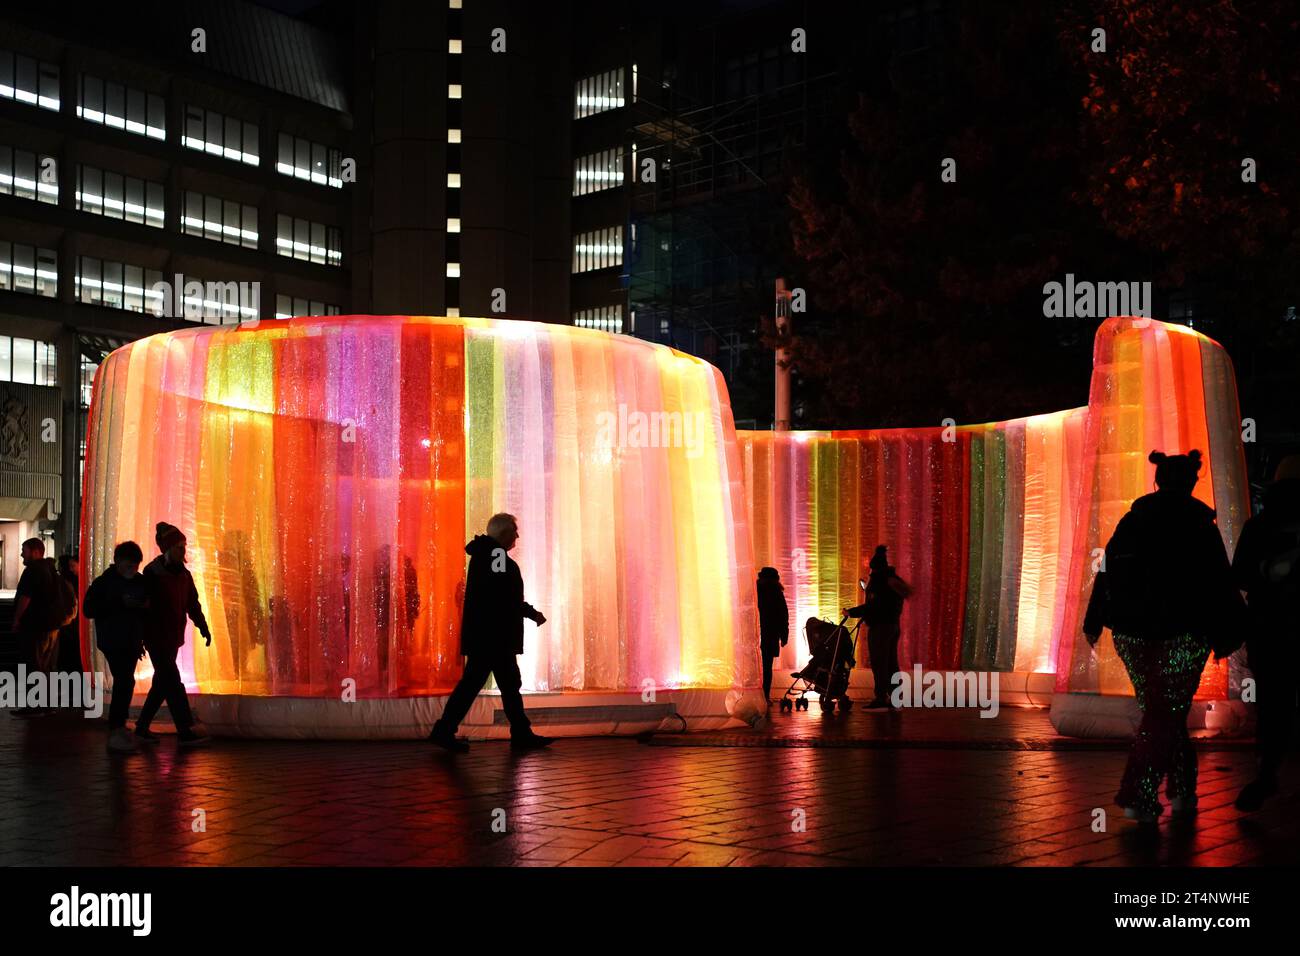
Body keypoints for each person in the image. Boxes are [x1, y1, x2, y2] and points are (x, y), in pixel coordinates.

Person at [1083, 450, 1244, 824]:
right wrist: (1230, 630)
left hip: (1133, 634)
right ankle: (1140, 795)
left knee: (1162, 712)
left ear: (1158, 481)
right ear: (1191, 482)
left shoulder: (1132, 521)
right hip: (1185, 634)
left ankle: (1183, 791)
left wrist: (1095, 621)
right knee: (1166, 712)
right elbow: (1219, 581)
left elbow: (1107, 573)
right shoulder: (1200, 526)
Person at [428, 513, 553, 752]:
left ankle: (448, 730)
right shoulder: (496, 556)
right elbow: (503, 597)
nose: (517, 535)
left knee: (492, 684)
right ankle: (518, 733)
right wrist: (531, 613)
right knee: (499, 685)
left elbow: (498, 596)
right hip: (495, 638)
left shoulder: (486, 555)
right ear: (504, 533)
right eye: (514, 531)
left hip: (488, 637)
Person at [1231, 453, 1300, 811]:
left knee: (1273, 705)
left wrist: (1266, 572)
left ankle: (1268, 772)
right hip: (1276, 629)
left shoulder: (1258, 527)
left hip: (1269, 630)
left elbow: (1239, 575)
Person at [137, 522, 212, 746]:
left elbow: (192, 604)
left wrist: (203, 627)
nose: (183, 551)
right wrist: (140, 638)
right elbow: (143, 609)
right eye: (179, 547)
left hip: (172, 637)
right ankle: (185, 728)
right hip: (156, 638)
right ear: (168, 549)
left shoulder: (184, 576)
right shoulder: (152, 575)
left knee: (162, 683)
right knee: (174, 682)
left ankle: (141, 727)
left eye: (184, 547)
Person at [83, 542, 150, 752]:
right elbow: (89, 609)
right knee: (124, 680)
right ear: (118, 562)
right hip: (113, 639)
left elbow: (145, 611)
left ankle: (119, 726)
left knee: (126, 681)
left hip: (130, 639)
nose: (133, 570)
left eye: (136, 566)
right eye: (130, 566)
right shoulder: (104, 583)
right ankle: (117, 726)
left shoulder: (139, 582)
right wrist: (120, 603)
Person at [846, 545, 911, 711]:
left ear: (874, 568)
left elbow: (872, 607)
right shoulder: (893, 580)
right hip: (893, 626)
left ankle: (881, 697)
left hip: (880, 628)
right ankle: (896, 696)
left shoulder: (878, 582)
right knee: (891, 662)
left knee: (879, 663)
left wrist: (851, 612)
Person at [11, 538, 62, 717]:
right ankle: (48, 704)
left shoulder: (33, 571)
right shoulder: (51, 570)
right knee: (47, 666)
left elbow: (26, 597)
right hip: (51, 626)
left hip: (35, 626)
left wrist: (17, 619)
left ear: (35, 551)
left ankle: (35, 705)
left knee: (34, 664)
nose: (21, 554)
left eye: (24, 550)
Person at [756, 567, 789, 707]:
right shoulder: (777, 593)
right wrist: (784, 634)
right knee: (767, 667)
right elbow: (783, 615)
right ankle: (765, 696)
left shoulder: (755, 591)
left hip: (755, 634)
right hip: (770, 634)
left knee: (755, 667)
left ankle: (753, 696)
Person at [56, 553, 82, 674]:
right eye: (69, 566)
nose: (71, 569)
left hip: (71, 623)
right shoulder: (74, 580)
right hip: (73, 622)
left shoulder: (71, 581)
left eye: (73, 565)